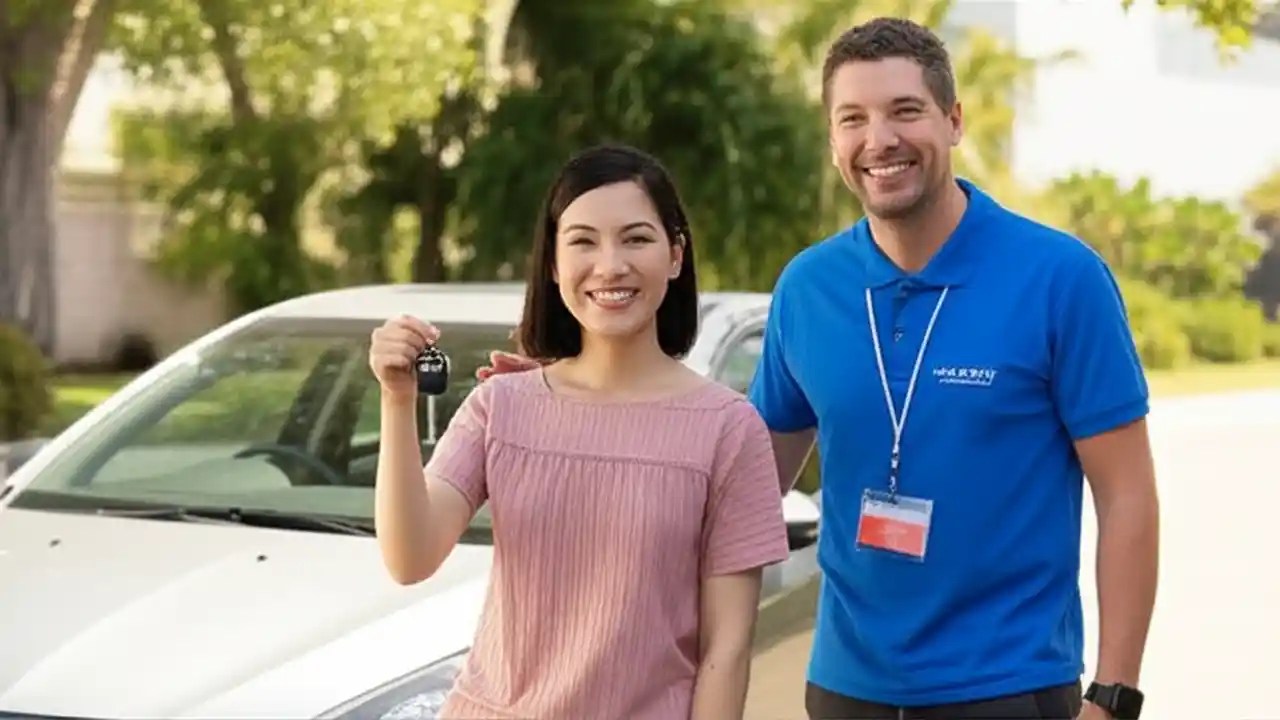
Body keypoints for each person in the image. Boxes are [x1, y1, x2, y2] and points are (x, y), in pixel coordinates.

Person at [482, 17, 1160, 720]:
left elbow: (1128, 497)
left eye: (905, 111)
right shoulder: (808, 287)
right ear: (834, 142)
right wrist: (571, 397)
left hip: (1007, 688)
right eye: (853, 119)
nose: (880, 140)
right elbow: (739, 474)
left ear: (953, 121)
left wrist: (1112, 696)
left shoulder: (1059, 278)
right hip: (844, 689)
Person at [368, 143, 791, 720]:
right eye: (583, 241)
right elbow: (409, 557)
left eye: (636, 238)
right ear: (553, 263)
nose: (610, 265)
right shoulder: (500, 406)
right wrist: (398, 400)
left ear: (675, 255)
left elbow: (727, 648)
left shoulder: (728, 429)